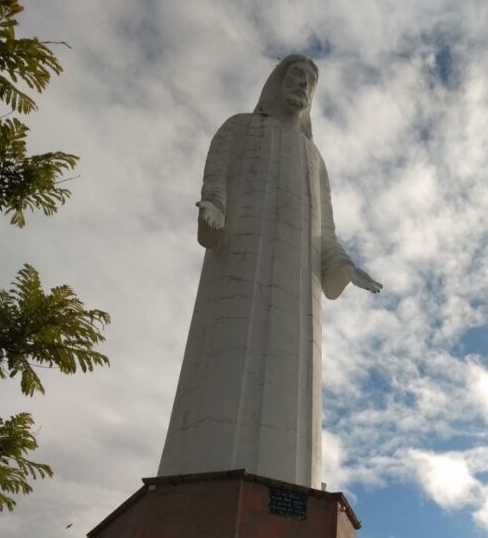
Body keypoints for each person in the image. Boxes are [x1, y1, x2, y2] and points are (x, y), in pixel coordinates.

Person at [158, 54, 380, 488]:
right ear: (276, 82)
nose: (302, 86)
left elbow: (326, 233)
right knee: (219, 374)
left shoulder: (313, 158)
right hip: (236, 267)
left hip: (296, 290)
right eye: (295, 76)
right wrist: (212, 208)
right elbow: (214, 181)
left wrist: (343, 266)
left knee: (290, 392)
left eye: (309, 82)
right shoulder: (239, 128)